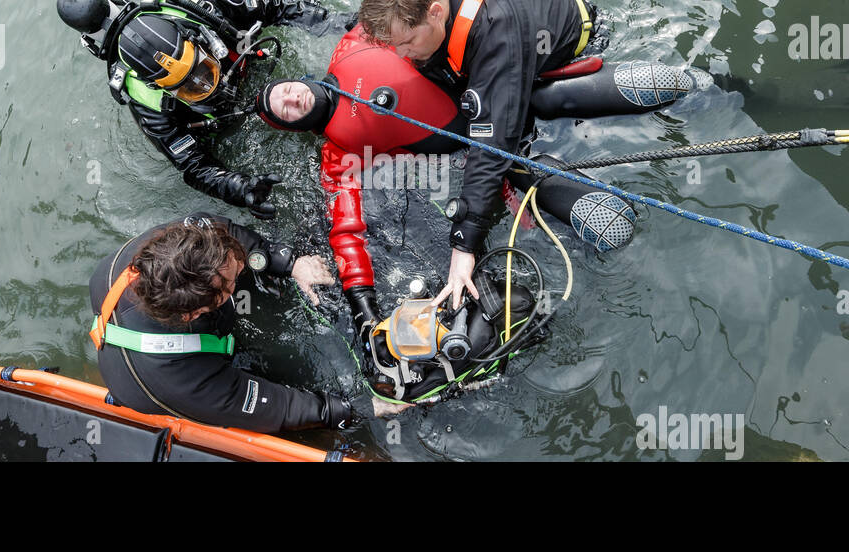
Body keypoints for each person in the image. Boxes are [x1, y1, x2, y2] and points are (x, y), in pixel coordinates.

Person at [255, 23, 705, 349]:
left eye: (286, 90)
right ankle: (548, 181)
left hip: (495, 94)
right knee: (534, 177)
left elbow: (405, 8)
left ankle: (707, 90)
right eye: (285, 108)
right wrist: (363, 308)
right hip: (481, 153)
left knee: (551, 98)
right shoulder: (337, 157)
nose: (291, 97)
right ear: (295, 126)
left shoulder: (353, 43)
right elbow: (346, 233)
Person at [355, 0, 711, 309]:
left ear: (435, 12)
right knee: (489, 109)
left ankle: (536, 172)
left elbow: (491, 141)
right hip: (518, 35)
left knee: (502, 144)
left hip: (559, 50)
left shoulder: (495, 31)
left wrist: (464, 244)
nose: (401, 55)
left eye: (408, 43)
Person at [57, 0, 350, 218]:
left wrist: (338, 25)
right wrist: (239, 187)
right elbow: (194, 165)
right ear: (163, 89)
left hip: (247, 68)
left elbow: (274, 5)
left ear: (201, 40)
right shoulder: (150, 104)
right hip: (211, 122)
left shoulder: (200, 9)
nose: (206, 85)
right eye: (190, 87)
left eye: (203, 70)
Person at [87, 210, 351, 433]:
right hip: (166, 383)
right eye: (229, 283)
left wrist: (288, 262)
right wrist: (347, 409)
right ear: (193, 314)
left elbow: (213, 228)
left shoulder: (155, 251)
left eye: (233, 263)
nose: (239, 264)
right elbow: (280, 408)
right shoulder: (186, 383)